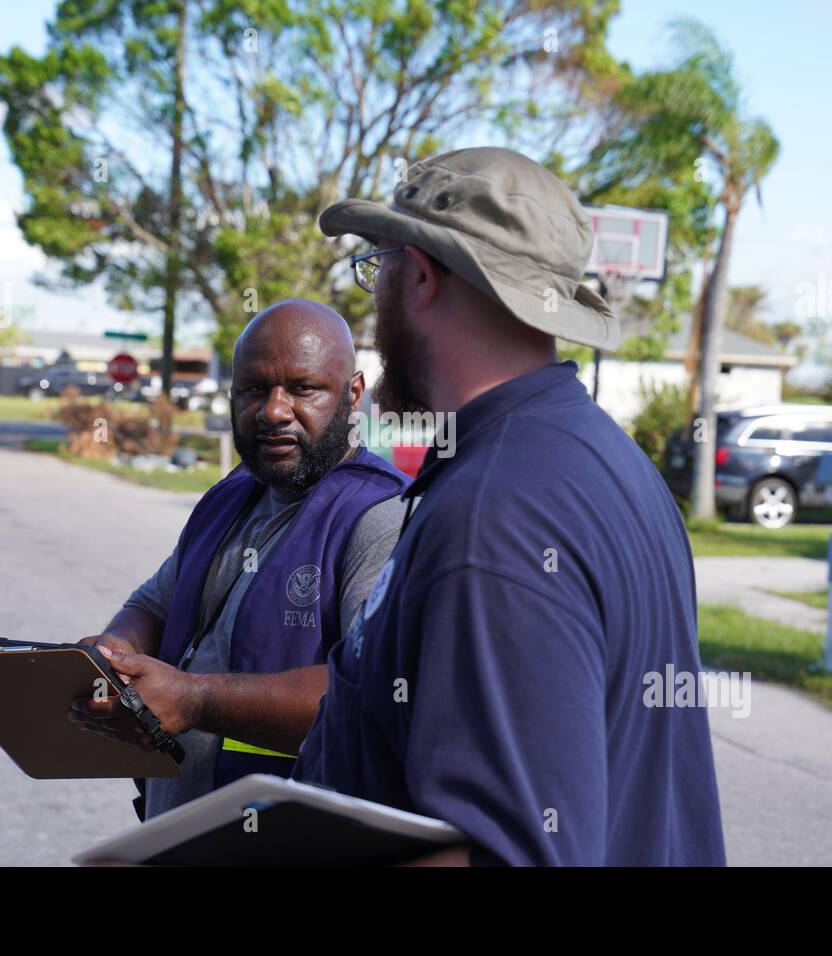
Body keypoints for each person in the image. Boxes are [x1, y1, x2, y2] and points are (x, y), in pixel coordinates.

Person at [292, 147, 728, 866]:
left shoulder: (495, 514)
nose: (373, 301)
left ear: (422, 277)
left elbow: (510, 853)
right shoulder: (607, 462)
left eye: (379, 266)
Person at [70, 298, 410, 821]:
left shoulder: (381, 517)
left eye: (303, 389)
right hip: (181, 831)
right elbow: (155, 606)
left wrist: (194, 699)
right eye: (254, 389)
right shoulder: (230, 497)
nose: (274, 411)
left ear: (354, 393)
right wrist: (113, 655)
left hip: (295, 844)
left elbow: (372, 694)